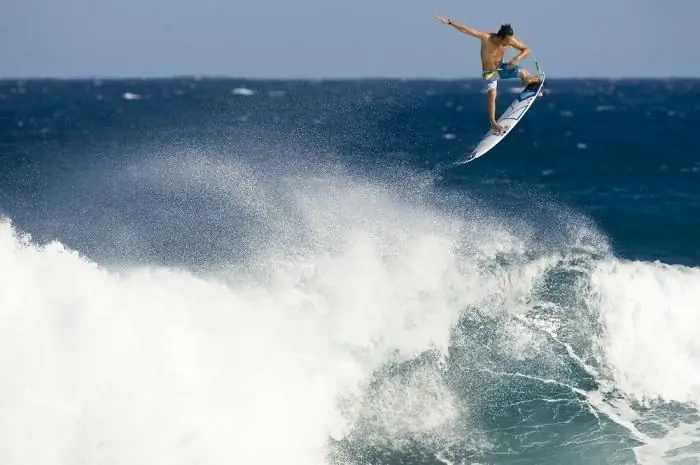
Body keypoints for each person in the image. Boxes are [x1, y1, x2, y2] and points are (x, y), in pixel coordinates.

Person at [435, 16, 543, 133]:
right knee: (492, 93)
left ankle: (531, 88)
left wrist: (516, 59)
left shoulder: (509, 40)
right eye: (507, 40)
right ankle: (493, 122)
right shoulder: (486, 38)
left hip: (501, 68)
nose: (509, 42)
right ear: (500, 36)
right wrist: (450, 22)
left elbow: (527, 49)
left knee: (524, 73)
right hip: (490, 73)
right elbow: (466, 29)